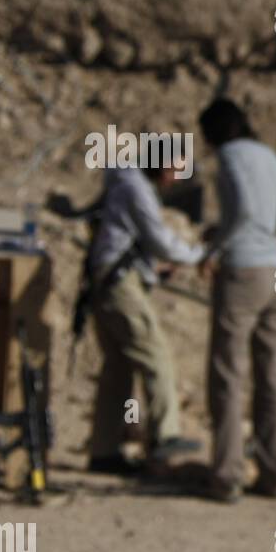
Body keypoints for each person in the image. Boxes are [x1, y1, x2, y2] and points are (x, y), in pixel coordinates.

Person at [197, 99, 276, 502]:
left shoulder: (229, 158)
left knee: (227, 375)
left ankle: (227, 475)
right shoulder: (268, 155)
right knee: (272, 374)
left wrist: (214, 246)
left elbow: (238, 212)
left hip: (242, 271)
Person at [86, 159, 205, 474]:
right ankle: (164, 435)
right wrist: (197, 254)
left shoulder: (126, 183)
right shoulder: (135, 188)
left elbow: (130, 239)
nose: (177, 178)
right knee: (156, 356)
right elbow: (159, 240)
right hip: (119, 284)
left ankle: (105, 451)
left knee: (118, 368)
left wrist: (154, 271)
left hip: (111, 279)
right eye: (175, 170)